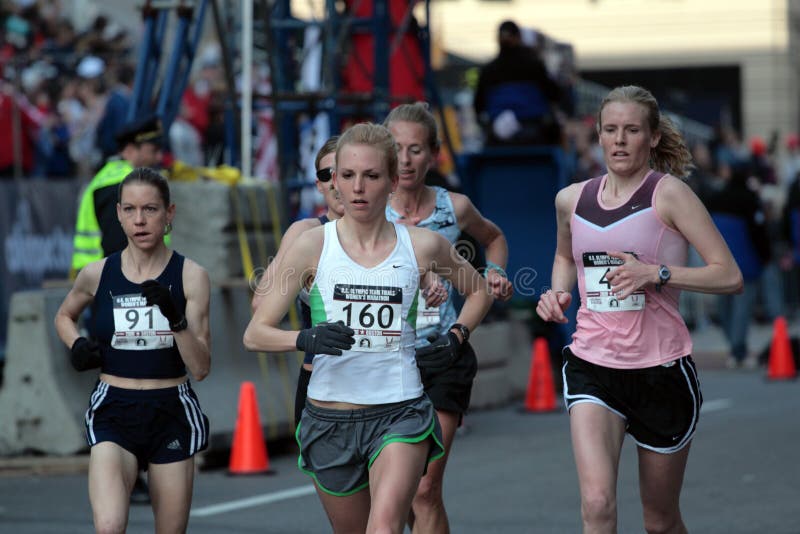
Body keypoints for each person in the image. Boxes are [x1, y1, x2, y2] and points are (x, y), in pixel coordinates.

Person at [243, 122, 493, 533]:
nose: (358, 188)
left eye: (371, 176)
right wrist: (305, 338)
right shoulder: (312, 244)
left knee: (384, 527)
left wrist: (457, 336)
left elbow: (479, 290)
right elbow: (255, 333)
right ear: (335, 181)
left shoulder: (421, 245)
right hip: (328, 416)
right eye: (347, 175)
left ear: (392, 182)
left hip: (400, 410)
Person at [536, 85, 743, 534]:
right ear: (597, 134)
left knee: (660, 521)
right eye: (610, 129)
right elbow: (565, 256)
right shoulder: (571, 199)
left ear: (652, 137)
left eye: (631, 130)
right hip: (593, 364)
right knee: (596, 505)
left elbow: (729, 275)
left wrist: (656, 273)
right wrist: (558, 293)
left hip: (660, 369)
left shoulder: (669, 195)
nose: (619, 140)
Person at [54, 167, 211, 533]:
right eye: (130, 209)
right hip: (114, 408)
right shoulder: (97, 273)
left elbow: (201, 367)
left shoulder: (191, 276)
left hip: (170, 406)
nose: (139, 220)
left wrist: (175, 318)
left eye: (150, 209)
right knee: (109, 526)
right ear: (119, 214)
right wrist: (76, 344)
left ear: (169, 213)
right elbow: (63, 316)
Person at [383, 101, 513, 533]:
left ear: (434, 154)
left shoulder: (453, 207)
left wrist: (493, 273)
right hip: (384, 360)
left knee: (424, 488)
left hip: (443, 354)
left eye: (416, 149)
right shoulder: (368, 207)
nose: (405, 159)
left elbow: (494, 238)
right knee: (396, 492)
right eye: (396, 148)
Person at [71, 114, 165, 275]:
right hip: (104, 279)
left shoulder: (114, 179)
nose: (159, 157)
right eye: (153, 150)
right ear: (129, 150)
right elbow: (117, 247)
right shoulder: (119, 185)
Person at [473, 20, 562, 146]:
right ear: (519, 38)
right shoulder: (534, 65)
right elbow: (554, 94)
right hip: (535, 132)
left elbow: (478, 105)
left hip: (497, 136)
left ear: (498, 40)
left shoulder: (488, 70)